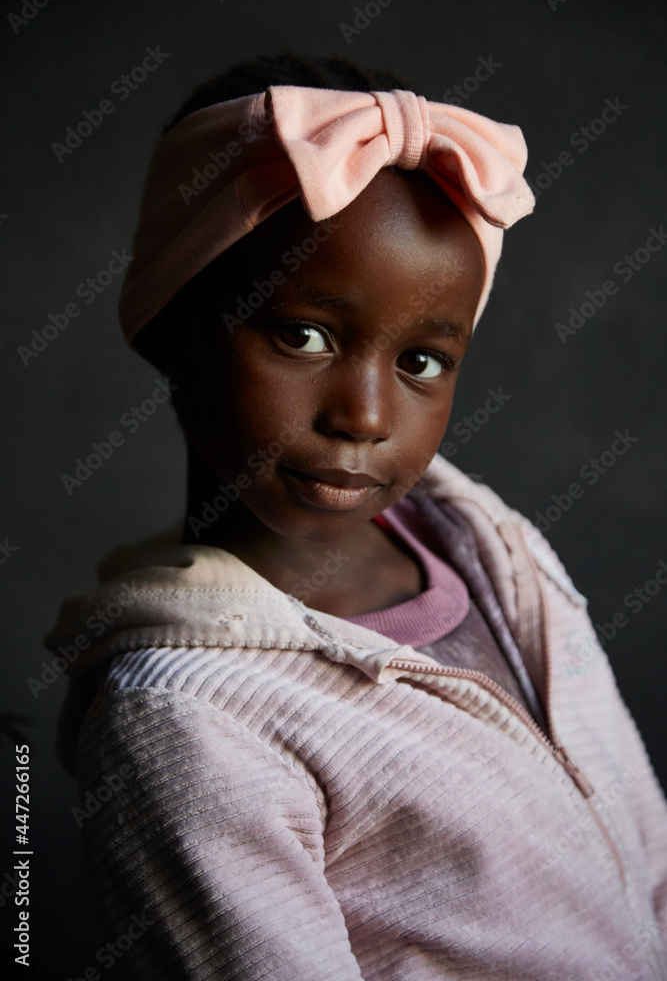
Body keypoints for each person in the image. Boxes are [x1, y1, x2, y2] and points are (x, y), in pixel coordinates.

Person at [48, 54, 667, 980]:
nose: (366, 418)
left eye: (422, 360)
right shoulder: (184, 719)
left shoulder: (489, 549)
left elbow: (642, 853)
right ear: (173, 325)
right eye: (302, 335)